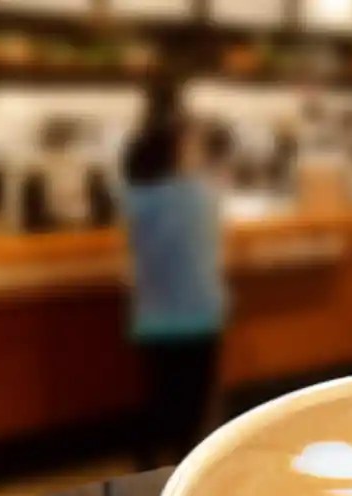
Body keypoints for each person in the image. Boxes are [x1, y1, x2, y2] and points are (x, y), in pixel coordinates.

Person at [121, 82, 227, 470]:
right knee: (194, 409)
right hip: (199, 317)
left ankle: (147, 471)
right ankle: (188, 476)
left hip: (152, 320)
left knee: (159, 401)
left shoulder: (135, 202)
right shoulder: (201, 197)